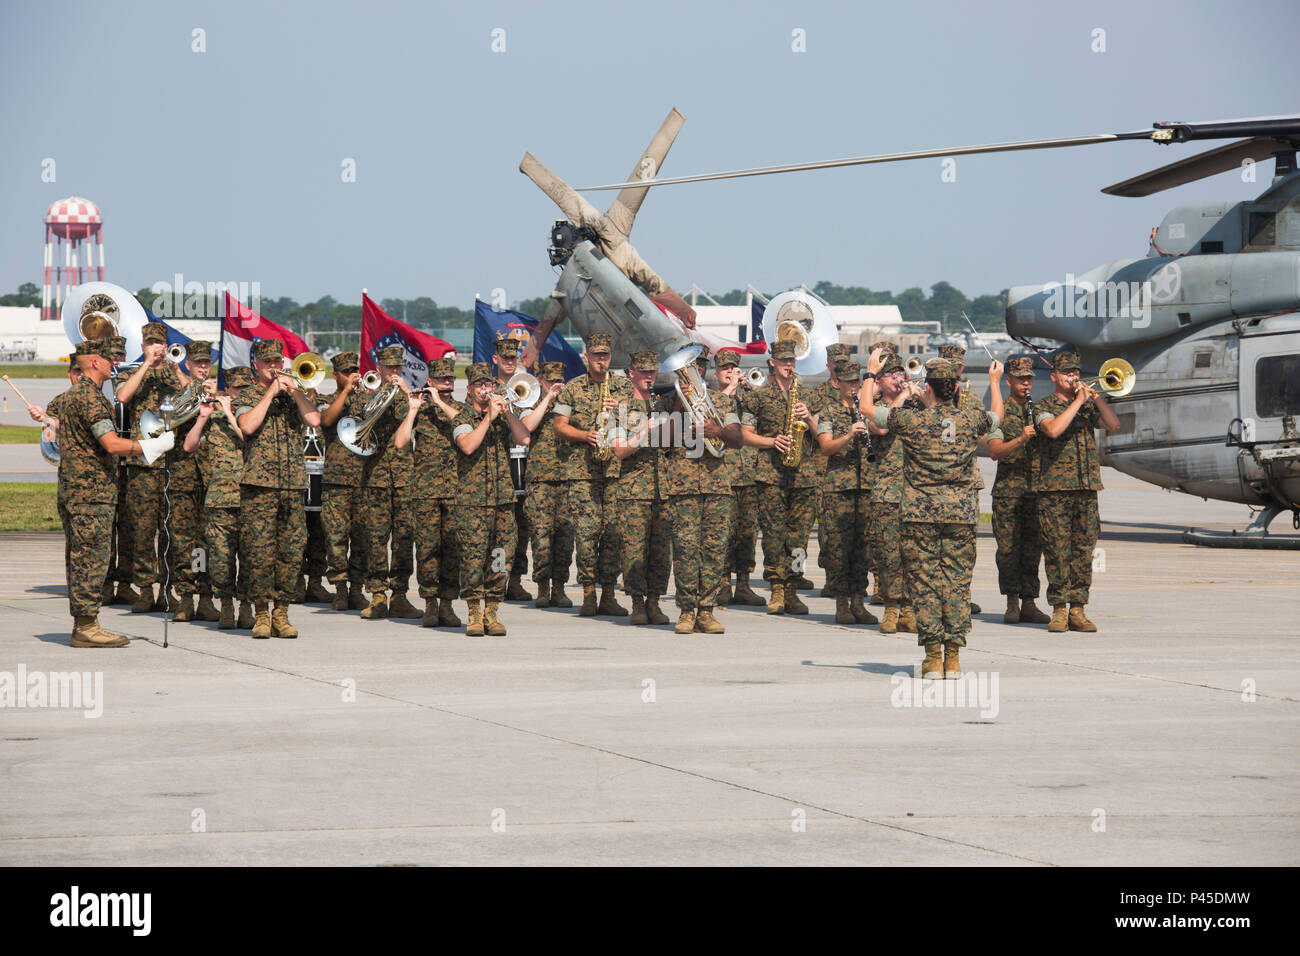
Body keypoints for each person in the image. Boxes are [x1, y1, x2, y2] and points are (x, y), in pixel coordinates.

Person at [862, 352, 998, 679]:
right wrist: (994, 381)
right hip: (960, 514)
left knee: (924, 584)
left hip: (919, 514)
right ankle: (953, 658)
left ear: (930, 388)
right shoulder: (969, 419)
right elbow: (997, 416)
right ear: (955, 388)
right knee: (956, 584)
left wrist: (870, 374)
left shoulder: (912, 420)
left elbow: (868, 410)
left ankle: (932, 657)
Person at [58, 338, 174, 647]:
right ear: (94, 362)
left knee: (82, 559)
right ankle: (86, 626)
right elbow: (111, 443)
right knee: (91, 560)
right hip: (90, 494)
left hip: (77, 491)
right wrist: (149, 446)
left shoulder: (74, 395)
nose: (114, 364)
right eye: (109, 359)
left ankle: (86, 622)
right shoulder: (90, 398)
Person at [235, 338, 322, 638]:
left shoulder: (294, 394)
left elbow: (314, 419)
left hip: (293, 485)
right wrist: (270, 393)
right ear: (256, 365)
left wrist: (296, 392)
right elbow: (247, 426)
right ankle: (261, 614)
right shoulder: (246, 395)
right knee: (258, 552)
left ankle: (281, 613)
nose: (274, 367)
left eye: (277, 361)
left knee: (291, 551)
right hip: (259, 485)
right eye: (267, 362)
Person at [1033, 348, 1122, 632]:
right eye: (1067, 373)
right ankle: (1059, 609)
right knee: (1057, 551)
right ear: (1054, 376)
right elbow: (1054, 430)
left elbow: (1114, 425)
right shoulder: (1043, 405)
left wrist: (1095, 398)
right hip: (1055, 490)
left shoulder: (1086, 405)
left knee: (1084, 552)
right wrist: (1078, 401)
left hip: (1086, 487)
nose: (1073, 377)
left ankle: (1078, 608)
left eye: (1075, 373)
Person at [552, 332, 633, 617]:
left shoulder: (623, 386)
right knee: (586, 535)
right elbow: (559, 425)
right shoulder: (573, 388)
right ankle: (588, 592)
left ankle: (608, 594)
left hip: (614, 472)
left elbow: (637, 425)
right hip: (582, 472)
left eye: (606, 355)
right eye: (597, 355)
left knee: (613, 534)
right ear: (587, 357)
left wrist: (620, 412)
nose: (602, 360)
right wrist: (583, 435)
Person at [662, 355, 743, 633]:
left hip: (716, 486)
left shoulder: (722, 402)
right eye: (689, 368)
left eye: (700, 367)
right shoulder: (669, 402)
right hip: (683, 487)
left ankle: (706, 611)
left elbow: (737, 440)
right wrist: (679, 405)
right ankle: (686, 611)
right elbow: (664, 438)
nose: (696, 372)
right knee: (685, 550)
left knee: (714, 551)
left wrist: (716, 429)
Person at [450, 363, 532, 635]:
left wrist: (507, 414)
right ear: (470, 389)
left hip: (502, 501)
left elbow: (524, 438)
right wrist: (487, 418)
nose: (485, 390)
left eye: (489, 385)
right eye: (479, 385)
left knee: (500, 557)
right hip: (472, 503)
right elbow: (468, 445)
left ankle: (492, 612)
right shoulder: (461, 415)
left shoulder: (502, 414)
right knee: (473, 559)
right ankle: (474, 612)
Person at [739, 339, 819, 615]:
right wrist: (772, 441)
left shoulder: (809, 396)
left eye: (792, 361)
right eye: (783, 361)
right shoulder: (757, 398)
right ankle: (776, 589)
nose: (788, 365)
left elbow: (823, 434)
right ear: (772, 362)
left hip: (804, 476)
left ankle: (793, 589)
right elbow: (745, 436)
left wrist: (809, 418)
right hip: (771, 474)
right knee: (773, 535)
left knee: (799, 538)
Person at [115, 322, 189, 613]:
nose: (156, 348)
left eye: (159, 343)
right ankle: (145, 589)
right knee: (143, 531)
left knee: (171, 531)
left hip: (171, 463)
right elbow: (122, 397)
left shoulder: (173, 373)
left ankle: (168, 590)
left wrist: (175, 368)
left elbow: (193, 397)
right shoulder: (131, 372)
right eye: (151, 343)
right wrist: (147, 364)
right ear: (143, 345)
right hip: (143, 463)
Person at [394, 356, 464, 628]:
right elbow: (400, 443)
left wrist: (441, 403)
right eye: (441, 380)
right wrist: (413, 409)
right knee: (427, 550)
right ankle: (430, 603)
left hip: (456, 491)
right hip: (424, 492)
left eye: (450, 379)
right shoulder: (419, 411)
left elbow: (463, 424)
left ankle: (447, 604)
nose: (446, 383)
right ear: (430, 382)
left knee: (452, 550)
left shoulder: (459, 409)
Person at [986, 355, 1051, 624]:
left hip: (1034, 491)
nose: (1026, 383)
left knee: (1032, 549)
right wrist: (1021, 439)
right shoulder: (1003, 411)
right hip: (1008, 493)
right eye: (1020, 378)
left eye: (1029, 378)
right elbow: (994, 451)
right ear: (1009, 380)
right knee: (1008, 550)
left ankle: (1029, 602)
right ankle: (1011, 601)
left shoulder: (1039, 411)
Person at [863, 352, 922, 633]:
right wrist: (901, 398)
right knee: (887, 554)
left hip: (915, 491)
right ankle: (890, 608)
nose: (899, 378)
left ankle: (909, 609)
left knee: (913, 554)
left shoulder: (918, 405)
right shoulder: (872, 406)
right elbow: (880, 427)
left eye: (901, 373)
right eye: (892, 374)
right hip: (887, 491)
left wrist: (918, 394)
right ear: (880, 381)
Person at [611, 350, 671, 626]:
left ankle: (655, 602)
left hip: (663, 490)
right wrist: (643, 432)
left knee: (660, 552)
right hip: (634, 492)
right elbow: (620, 451)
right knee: (634, 550)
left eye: (652, 372)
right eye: (644, 372)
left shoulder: (663, 405)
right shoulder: (619, 408)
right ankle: (637, 602)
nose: (649, 377)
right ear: (632, 374)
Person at [184, 362, 246, 629]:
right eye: (234, 390)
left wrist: (232, 414)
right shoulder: (215, 420)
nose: (237, 395)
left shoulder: (253, 418)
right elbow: (189, 445)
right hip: (219, 500)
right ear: (227, 388)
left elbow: (247, 437)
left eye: (244, 389)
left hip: (248, 500)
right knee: (220, 559)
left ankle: (246, 607)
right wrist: (203, 417)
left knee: (251, 560)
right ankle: (226, 606)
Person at [815, 359, 877, 625]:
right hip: (839, 488)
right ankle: (841, 604)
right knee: (839, 548)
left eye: (857, 382)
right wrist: (850, 435)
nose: (854, 386)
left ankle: (859, 602)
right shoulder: (828, 412)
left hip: (866, 488)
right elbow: (826, 447)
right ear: (836, 383)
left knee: (863, 548)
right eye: (850, 382)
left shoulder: (869, 411)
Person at [358, 346, 418, 621]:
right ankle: (378, 595)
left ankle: (400, 595)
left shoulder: (410, 395)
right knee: (376, 539)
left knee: (404, 539)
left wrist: (406, 391)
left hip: (405, 477)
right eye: (389, 368)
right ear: (379, 368)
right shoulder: (367, 394)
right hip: (376, 476)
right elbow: (359, 422)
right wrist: (378, 394)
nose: (394, 372)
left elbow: (420, 417)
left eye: (398, 368)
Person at [168, 340, 221, 623]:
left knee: (205, 543)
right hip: (183, 476)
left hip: (210, 478)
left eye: (206, 363)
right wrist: (192, 392)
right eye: (198, 363)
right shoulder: (176, 394)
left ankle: (205, 596)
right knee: (183, 540)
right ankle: (185, 597)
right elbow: (167, 420)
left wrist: (215, 399)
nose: (202, 368)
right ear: (187, 364)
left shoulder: (216, 395)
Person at [520, 361, 576, 609]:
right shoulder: (529, 401)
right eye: (549, 381)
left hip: (567, 477)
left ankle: (559, 588)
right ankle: (542, 587)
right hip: (540, 479)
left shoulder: (569, 404)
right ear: (539, 380)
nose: (555, 385)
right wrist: (546, 399)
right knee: (541, 537)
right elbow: (527, 428)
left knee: (565, 537)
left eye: (558, 381)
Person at [318, 352, 371, 611]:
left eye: (354, 370)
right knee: (336, 539)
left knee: (362, 538)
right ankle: (339, 589)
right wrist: (346, 392)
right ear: (335, 374)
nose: (351, 375)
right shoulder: (327, 400)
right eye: (345, 371)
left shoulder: (366, 400)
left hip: (364, 480)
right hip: (336, 482)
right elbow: (326, 420)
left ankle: (357, 589)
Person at [713, 350, 764, 606]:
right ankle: (722, 584)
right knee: (724, 533)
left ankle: (743, 584)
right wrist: (730, 390)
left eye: (733, 369)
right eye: (725, 369)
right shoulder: (712, 398)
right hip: (724, 476)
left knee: (747, 534)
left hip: (749, 474)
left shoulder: (747, 400)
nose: (730, 373)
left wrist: (748, 388)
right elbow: (711, 419)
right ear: (716, 374)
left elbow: (765, 412)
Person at [807, 342, 852, 596]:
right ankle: (831, 577)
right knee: (828, 528)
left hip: (852, 469)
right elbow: (811, 431)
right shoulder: (817, 395)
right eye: (837, 363)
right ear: (828, 366)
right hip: (824, 468)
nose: (841, 366)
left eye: (845, 361)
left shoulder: (856, 390)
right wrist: (813, 421)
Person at [492, 337, 534, 602]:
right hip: (499, 466)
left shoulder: (525, 387)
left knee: (522, 529)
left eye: (513, 357)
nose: (510, 361)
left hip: (523, 464)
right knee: (498, 530)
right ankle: (497, 579)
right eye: (505, 358)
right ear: (495, 359)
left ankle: (516, 580)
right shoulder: (487, 388)